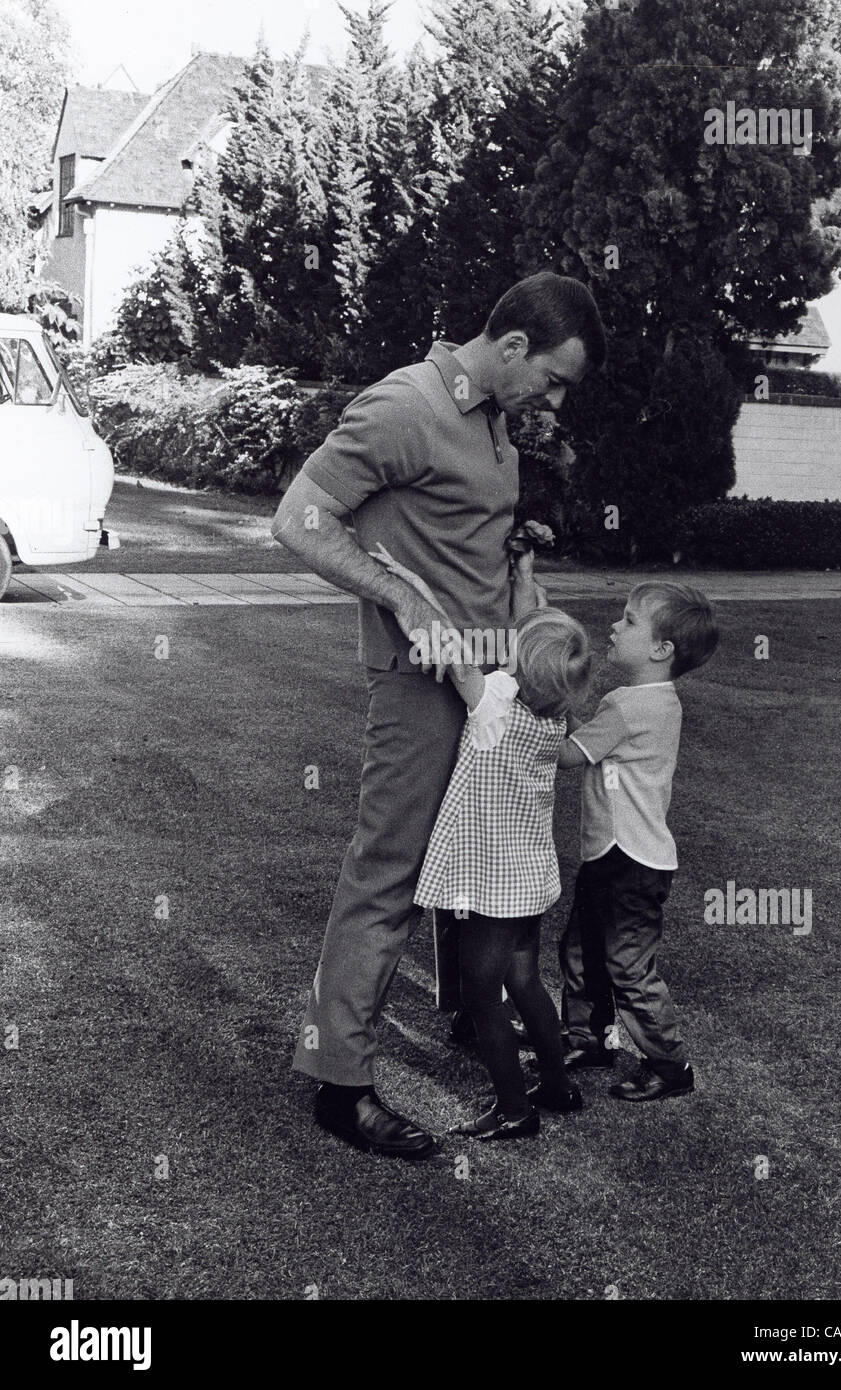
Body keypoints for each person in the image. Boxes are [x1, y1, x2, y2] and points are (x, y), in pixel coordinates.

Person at [270, 272, 606, 1159]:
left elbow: (462, 540)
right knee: (388, 873)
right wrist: (400, 600)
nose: (556, 400)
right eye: (555, 379)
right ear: (511, 348)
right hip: (421, 686)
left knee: (475, 858)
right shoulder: (404, 405)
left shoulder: (493, 419)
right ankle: (340, 1083)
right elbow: (298, 520)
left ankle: (469, 1014)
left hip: (485, 684)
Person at [373, 546, 592, 1140]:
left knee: (482, 993)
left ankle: (516, 1110)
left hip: (491, 881)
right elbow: (532, 631)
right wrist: (525, 579)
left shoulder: (493, 704)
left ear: (519, 666)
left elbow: (441, 636)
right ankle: (557, 1084)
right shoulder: (554, 719)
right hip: (530, 878)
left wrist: (408, 579)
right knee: (524, 981)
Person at [556, 582, 719, 1101]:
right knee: (582, 950)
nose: (613, 627)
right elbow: (595, 738)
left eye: (627, 621)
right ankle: (590, 1039)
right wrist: (565, 714)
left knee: (627, 965)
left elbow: (570, 754)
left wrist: (534, 703)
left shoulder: (631, 708)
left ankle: (671, 1067)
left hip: (630, 861)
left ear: (660, 650)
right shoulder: (645, 701)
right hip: (614, 855)